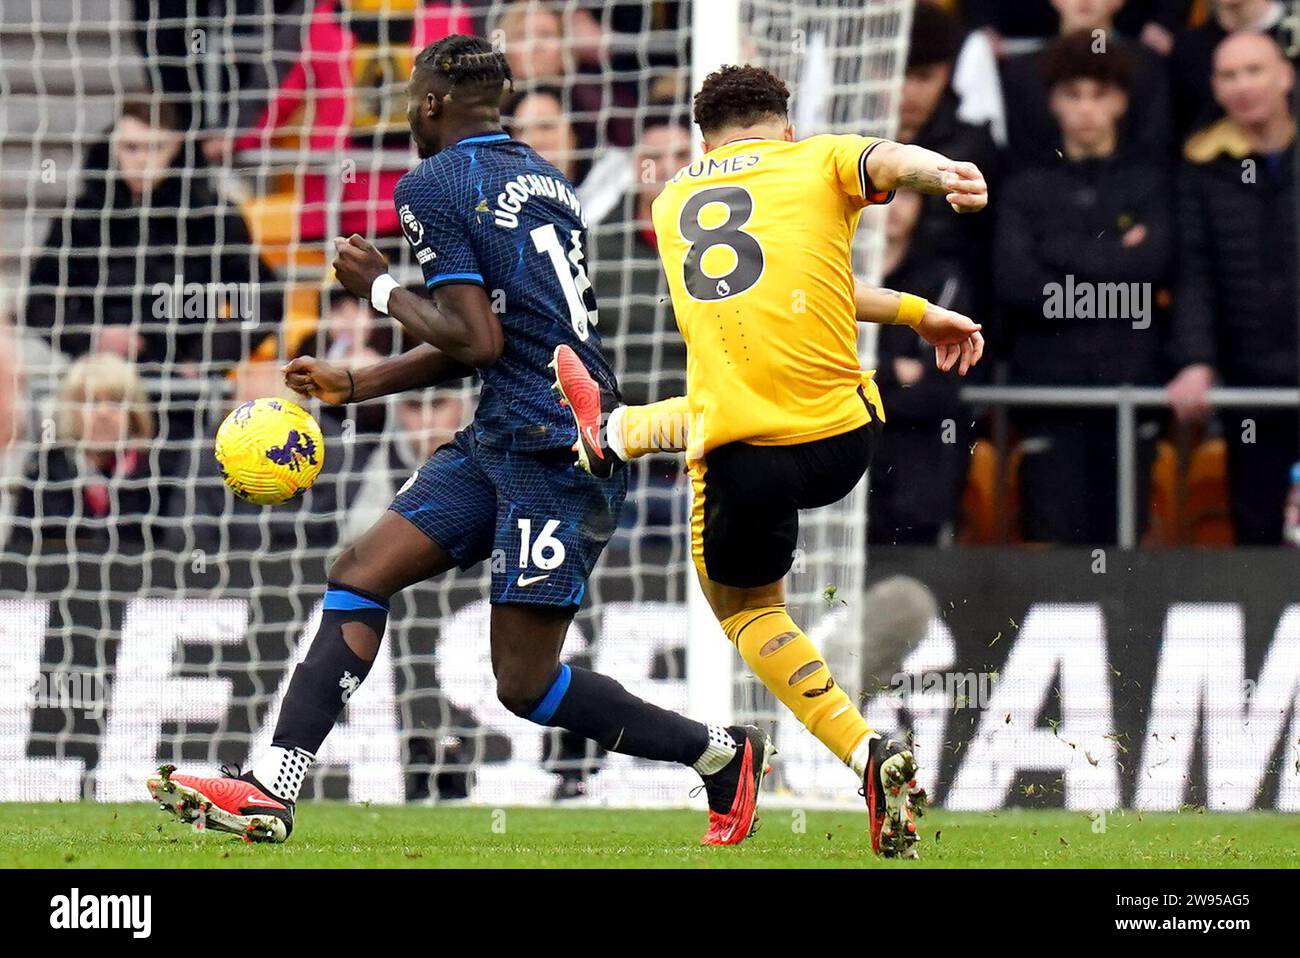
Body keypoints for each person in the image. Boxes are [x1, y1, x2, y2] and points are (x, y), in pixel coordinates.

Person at [148, 35, 772, 847]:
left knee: (524, 683)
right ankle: (273, 787)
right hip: (505, 432)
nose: (408, 109)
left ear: (434, 103)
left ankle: (721, 758)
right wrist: (357, 383)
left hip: (557, 449)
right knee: (361, 572)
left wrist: (377, 286)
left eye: (412, 95)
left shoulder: (431, 184)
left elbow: (475, 340)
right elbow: (494, 334)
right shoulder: (545, 178)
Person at [549, 65, 988, 857]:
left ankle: (612, 434)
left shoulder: (672, 201)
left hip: (746, 456)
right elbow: (886, 167)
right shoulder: (818, 159)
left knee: (748, 612)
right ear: (784, 124)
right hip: (844, 443)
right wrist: (943, 181)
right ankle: (871, 757)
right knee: (742, 418)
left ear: (701, 137)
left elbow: (791, 278)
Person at [995, 30, 1172, 545]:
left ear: (1121, 101)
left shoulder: (1151, 182)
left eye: (1100, 95)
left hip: (1131, 384)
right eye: (1074, 95)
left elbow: (1156, 265)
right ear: (1053, 102)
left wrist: (1057, 254)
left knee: (1126, 541)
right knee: (1054, 541)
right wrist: (1119, 262)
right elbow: (1016, 281)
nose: (1087, 110)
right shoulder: (1026, 186)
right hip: (1050, 389)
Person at [1166, 31, 1299, 544]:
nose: (1243, 85)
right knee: (1258, 530)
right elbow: (1193, 271)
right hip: (1252, 385)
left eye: (1255, 70)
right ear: (1215, 89)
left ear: (1285, 75)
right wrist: (1197, 359)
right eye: (1229, 75)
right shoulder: (1202, 167)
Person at [870, 191, 974, 545]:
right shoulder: (825, 274)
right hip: (841, 468)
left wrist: (863, 377)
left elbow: (937, 390)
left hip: (913, 477)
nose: (893, 208)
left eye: (907, 196)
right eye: (883, 195)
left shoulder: (941, 279)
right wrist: (893, 370)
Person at [1000, 0, 1172, 169]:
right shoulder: (1023, 72)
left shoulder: (1145, 66)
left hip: (1134, 187)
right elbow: (1020, 151)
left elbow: (1154, 142)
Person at [12, 352, 156, 551]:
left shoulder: (156, 477)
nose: (103, 413)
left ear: (133, 413)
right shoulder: (45, 476)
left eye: (115, 402)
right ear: (72, 411)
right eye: (92, 402)